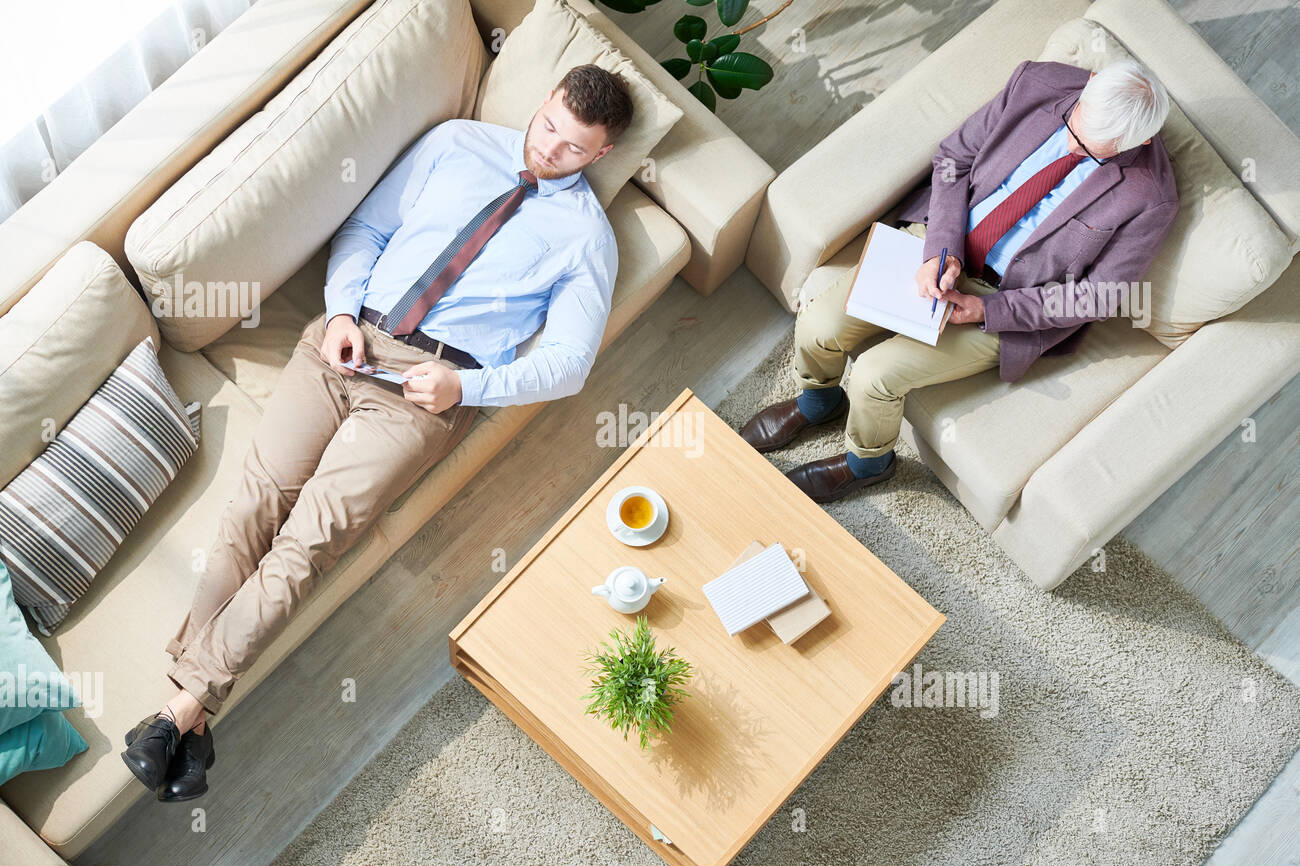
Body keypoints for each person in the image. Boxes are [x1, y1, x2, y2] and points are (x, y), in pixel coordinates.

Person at [122, 64, 632, 800]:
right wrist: (337, 312)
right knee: (256, 503)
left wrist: (469, 386)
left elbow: (570, 363)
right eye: (549, 123)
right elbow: (367, 226)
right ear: (545, 100)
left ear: (602, 155)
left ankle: (180, 711)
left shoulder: (588, 238)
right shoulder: (457, 143)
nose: (549, 148)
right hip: (344, 342)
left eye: (572, 148)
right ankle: (187, 722)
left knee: (309, 540)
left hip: (425, 392)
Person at [741, 58, 1179, 503]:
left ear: (1139, 141)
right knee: (818, 326)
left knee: (874, 375)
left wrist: (988, 310)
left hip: (1006, 303)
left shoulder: (1151, 197)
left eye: (1090, 151)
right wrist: (941, 249)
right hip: (939, 239)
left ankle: (868, 464)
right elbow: (953, 158)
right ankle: (819, 404)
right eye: (1074, 127)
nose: (1072, 145)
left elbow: (1096, 297)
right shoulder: (1038, 83)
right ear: (1087, 85)